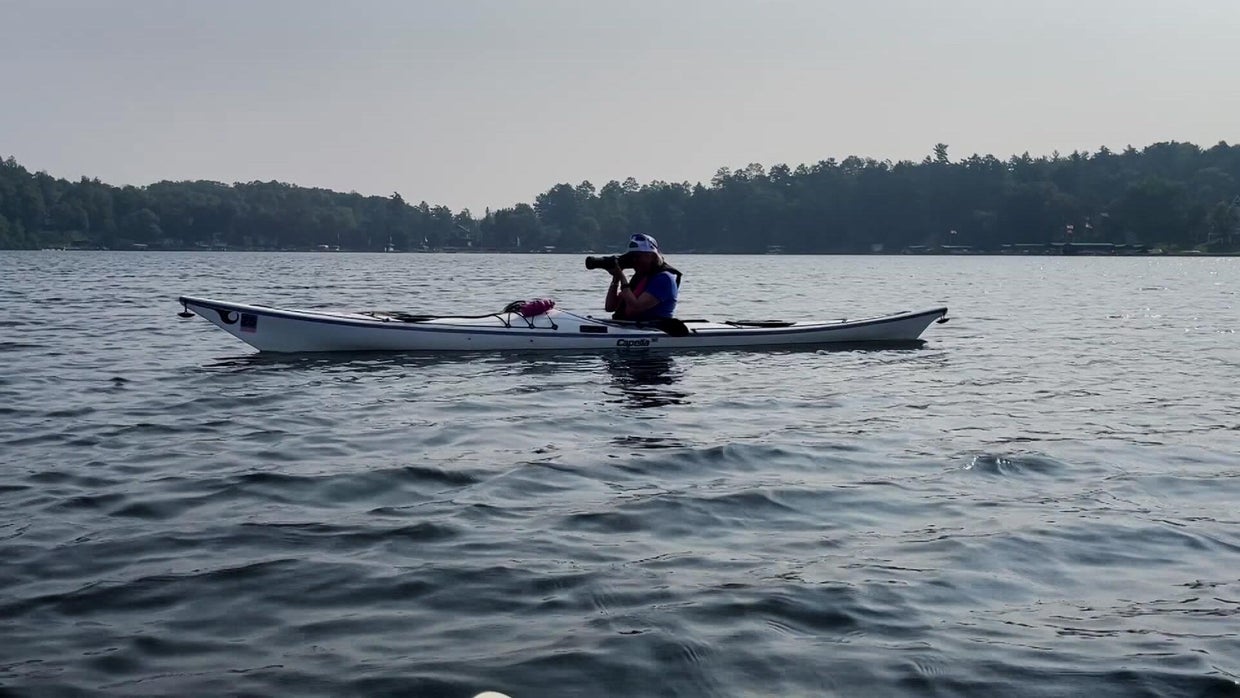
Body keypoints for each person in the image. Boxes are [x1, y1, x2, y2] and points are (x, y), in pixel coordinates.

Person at [604, 233, 680, 321]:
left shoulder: (664, 279)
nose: (635, 260)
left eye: (638, 256)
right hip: (629, 326)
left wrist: (621, 276)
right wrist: (616, 278)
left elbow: (636, 307)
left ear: (651, 256)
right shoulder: (640, 278)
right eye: (632, 256)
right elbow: (610, 307)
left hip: (653, 328)